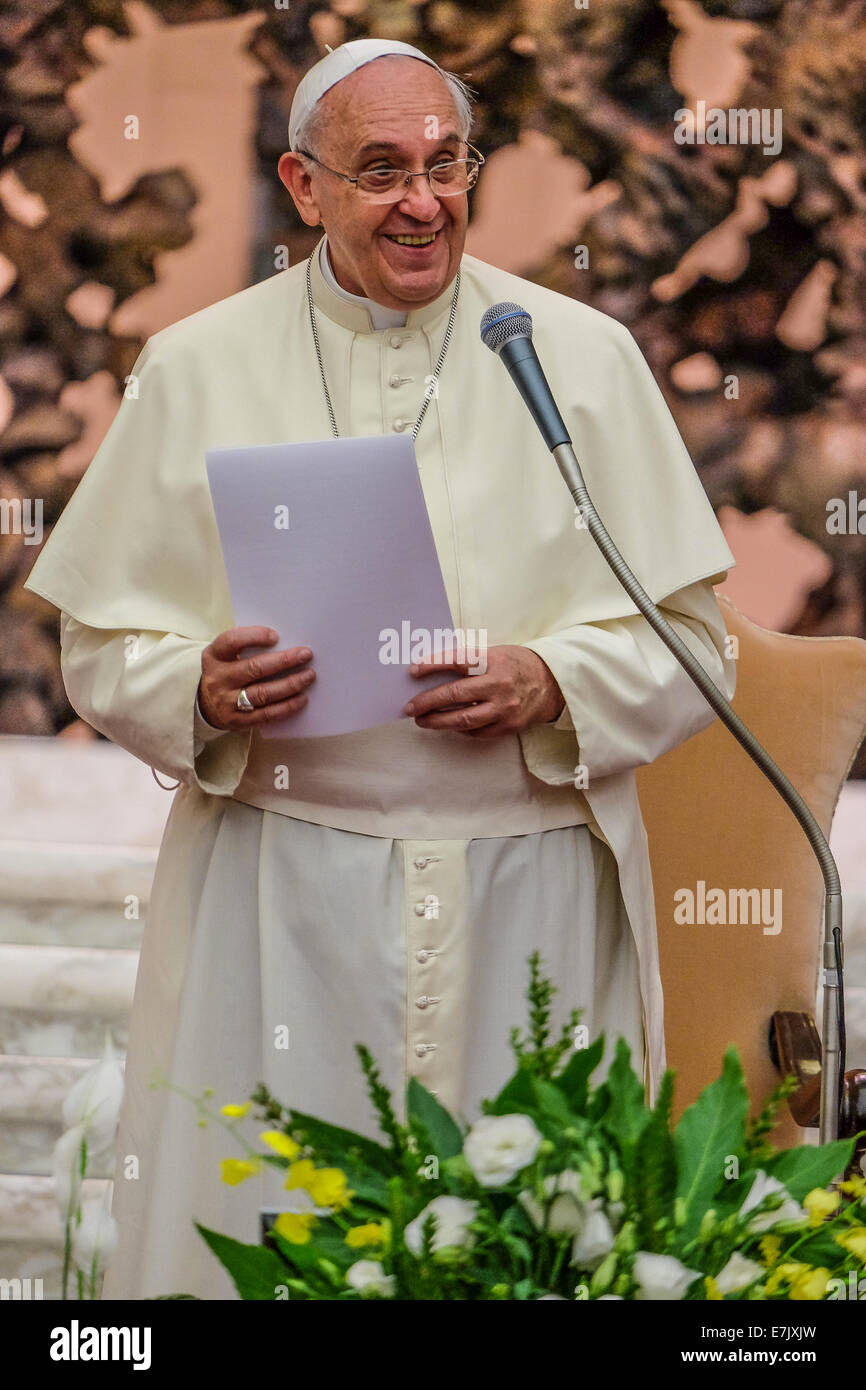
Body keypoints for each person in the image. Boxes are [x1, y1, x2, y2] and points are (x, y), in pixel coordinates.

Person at [25, 38, 737, 1299]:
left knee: (520, 1249)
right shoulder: (196, 365)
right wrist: (195, 684)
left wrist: (554, 680)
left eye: (444, 164)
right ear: (303, 188)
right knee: (268, 1232)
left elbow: (697, 647)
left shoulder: (574, 355)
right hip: (280, 898)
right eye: (380, 171)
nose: (423, 201)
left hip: (532, 899)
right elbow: (97, 646)